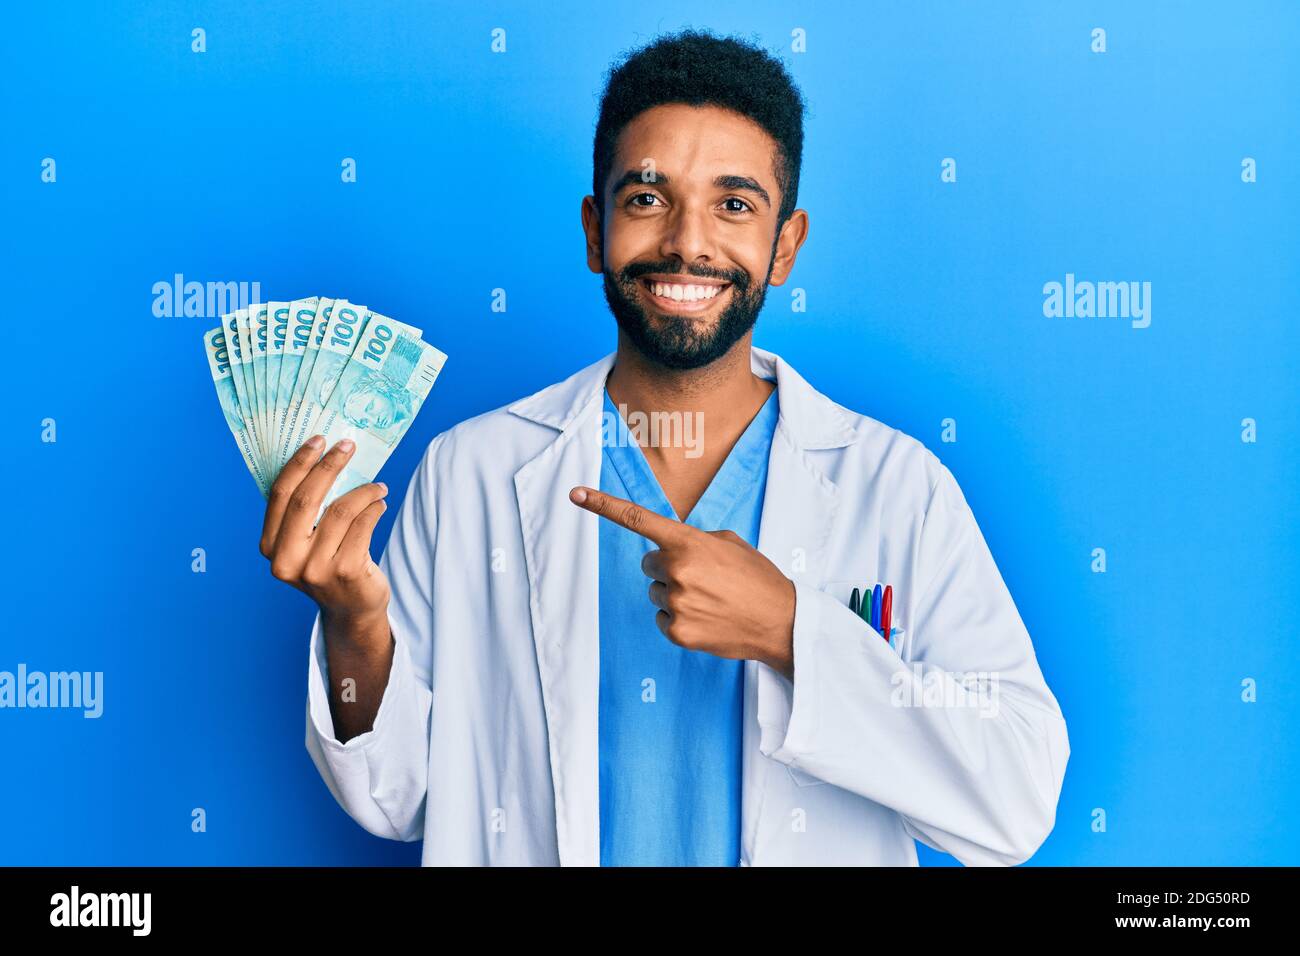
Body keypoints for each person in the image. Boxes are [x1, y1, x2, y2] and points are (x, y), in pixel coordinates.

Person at [259, 29, 1069, 866]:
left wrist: (796, 632)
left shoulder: (898, 487)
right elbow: (396, 798)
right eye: (647, 198)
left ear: (785, 246)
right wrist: (353, 621)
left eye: (734, 203)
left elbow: (1017, 799)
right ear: (594, 229)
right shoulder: (473, 473)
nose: (688, 242)